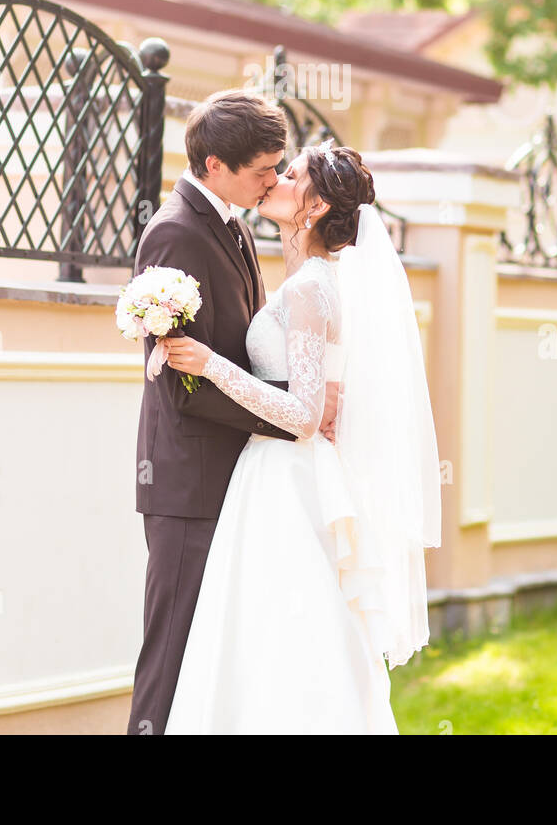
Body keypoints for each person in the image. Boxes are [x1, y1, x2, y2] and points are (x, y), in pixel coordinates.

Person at [160, 138, 442, 734]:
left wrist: (210, 364)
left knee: (287, 629)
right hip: (269, 474)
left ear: (313, 207)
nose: (273, 181)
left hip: (287, 479)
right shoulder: (303, 277)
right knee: (264, 631)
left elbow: (306, 415)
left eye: (288, 175)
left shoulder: (313, 286)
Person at [126, 89, 341, 736]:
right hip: (191, 482)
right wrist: (292, 416)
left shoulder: (238, 226)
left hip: (240, 478)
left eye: (279, 167)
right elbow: (180, 385)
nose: (274, 180)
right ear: (215, 164)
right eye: (262, 171)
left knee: (212, 660)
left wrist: (309, 401)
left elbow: (248, 346)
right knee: (172, 651)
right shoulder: (174, 233)